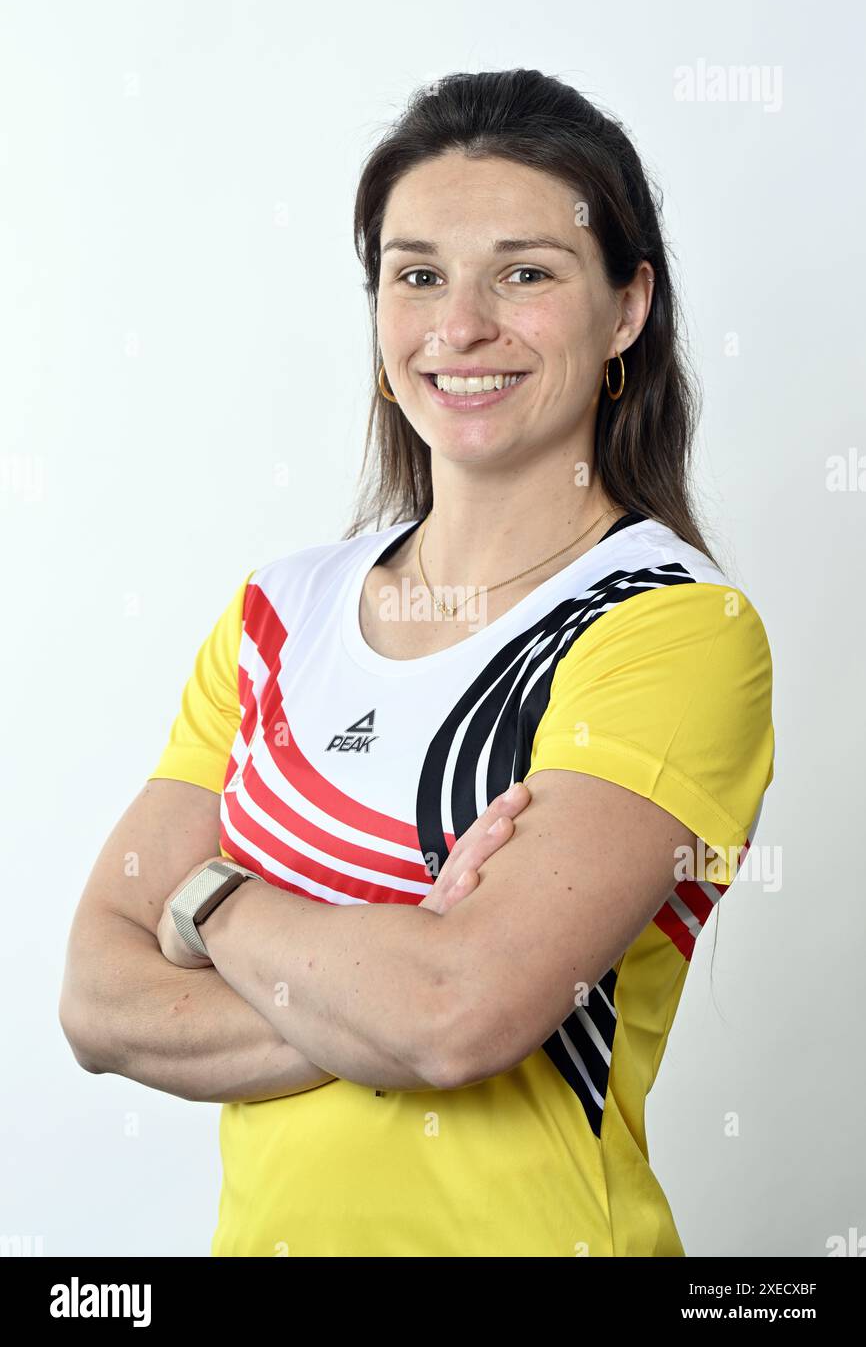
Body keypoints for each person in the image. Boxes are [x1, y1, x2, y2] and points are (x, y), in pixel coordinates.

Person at [59, 69, 774, 1257]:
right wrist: (383, 975)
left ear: (626, 307)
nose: (458, 326)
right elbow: (96, 999)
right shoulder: (273, 617)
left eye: (526, 272)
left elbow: (454, 1018)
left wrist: (209, 900)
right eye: (417, 274)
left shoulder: (671, 630)